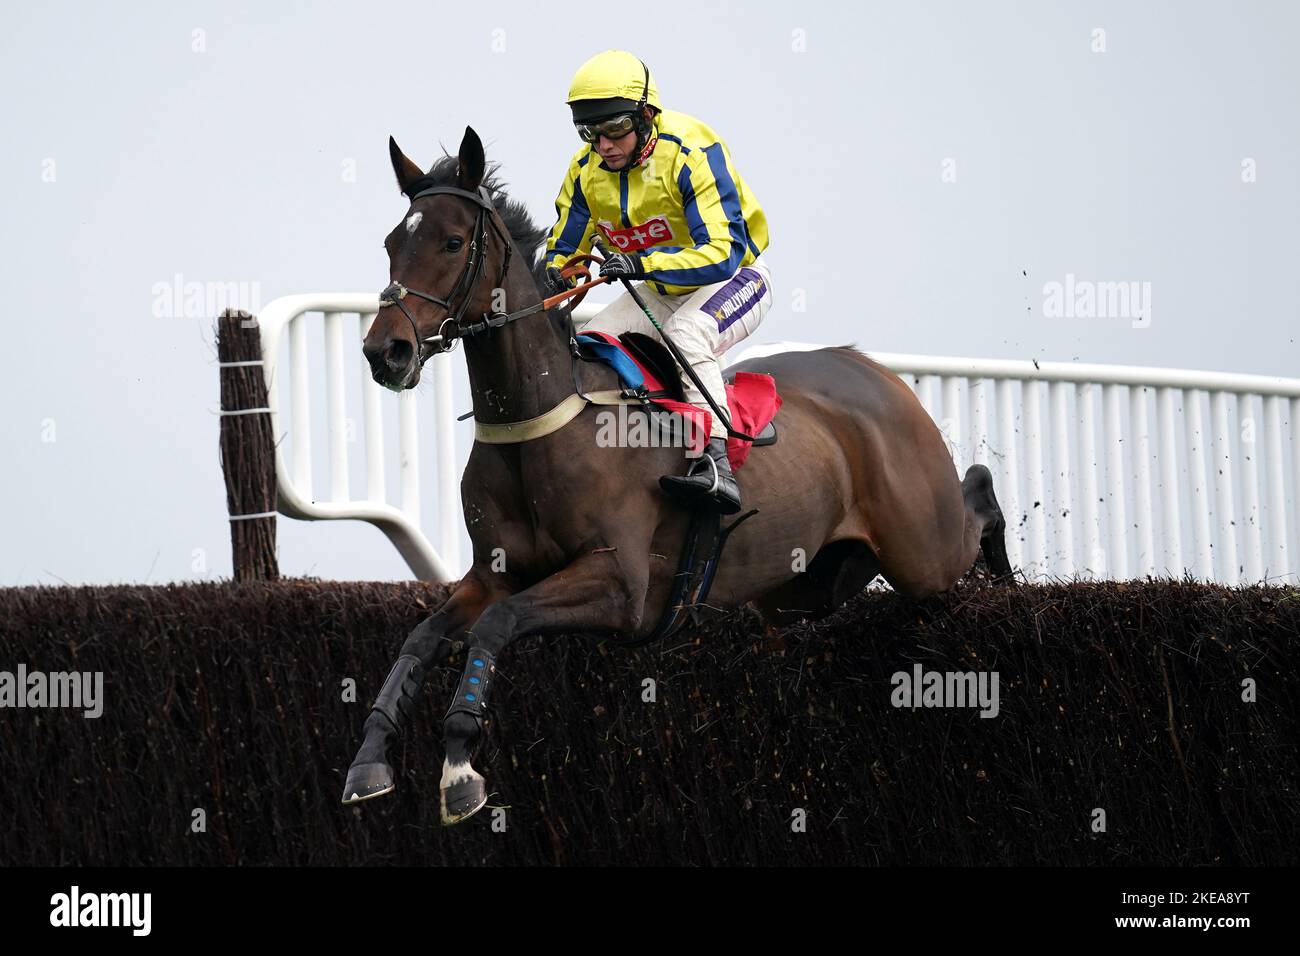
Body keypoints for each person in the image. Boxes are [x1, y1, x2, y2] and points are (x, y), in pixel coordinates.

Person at [542, 49, 773, 515]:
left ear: (646, 115)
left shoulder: (691, 152)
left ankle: (717, 462)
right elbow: (562, 246)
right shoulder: (586, 171)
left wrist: (643, 262)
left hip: (736, 279)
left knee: (686, 334)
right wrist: (561, 272)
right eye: (589, 132)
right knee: (588, 344)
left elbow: (723, 251)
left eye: (613, 129)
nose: (602, 144)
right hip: (659, 289)